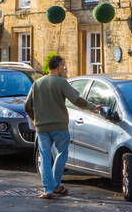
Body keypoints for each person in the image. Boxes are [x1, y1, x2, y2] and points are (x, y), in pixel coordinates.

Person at [23, 55, 94, 200]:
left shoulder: (37, 83)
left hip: (42, 127)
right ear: (57, 67)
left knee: (45, 156)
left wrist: (34, 118)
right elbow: (76, 99)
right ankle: (55, 184)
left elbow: (27, 105)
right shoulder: (61, 82)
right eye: (63, 65)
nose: (64, 68)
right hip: (59, 126)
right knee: (62, 154)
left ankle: (48, 189)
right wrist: (93, 107)